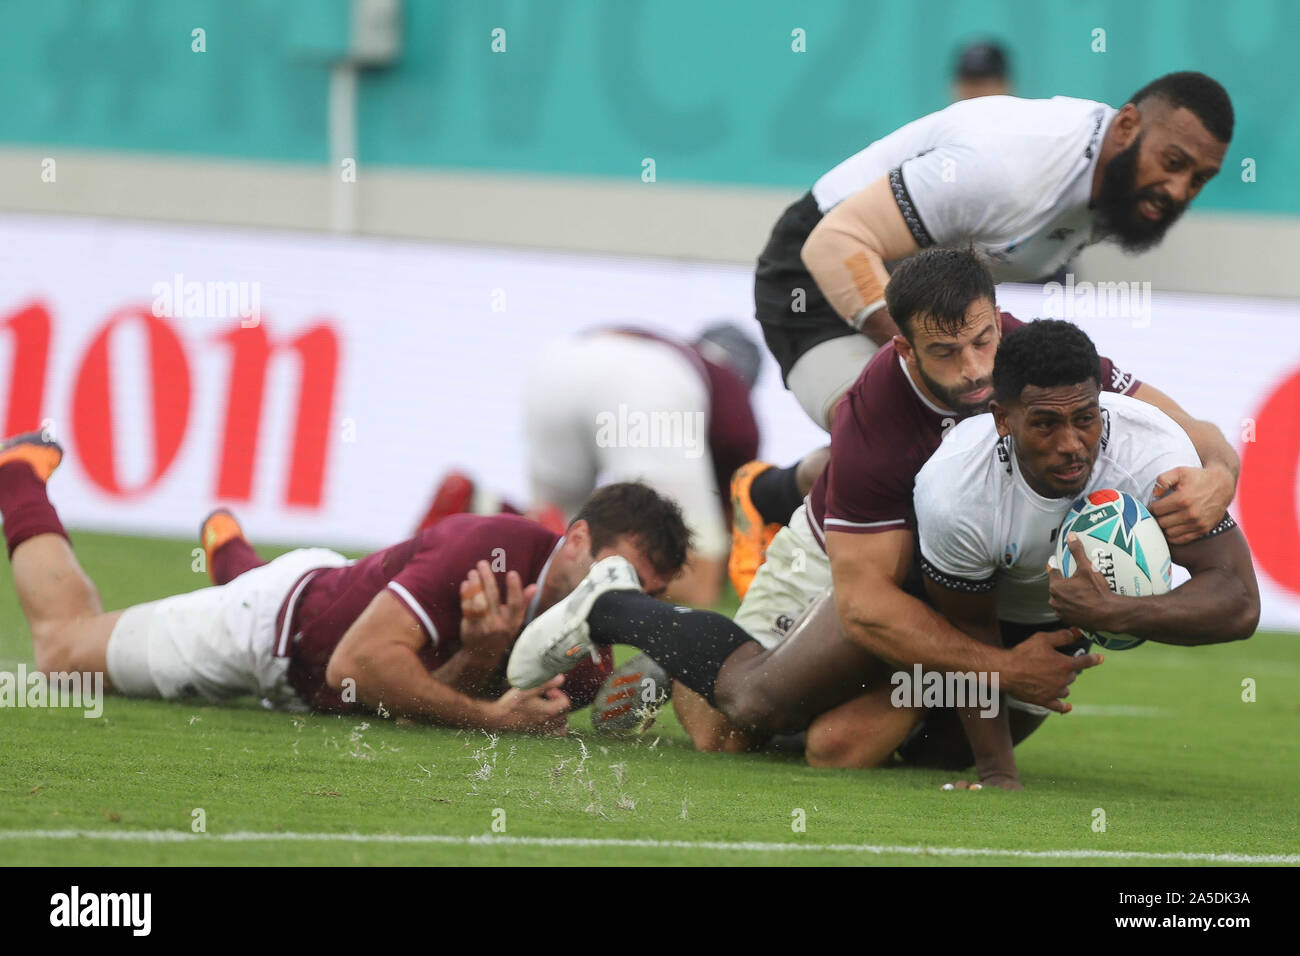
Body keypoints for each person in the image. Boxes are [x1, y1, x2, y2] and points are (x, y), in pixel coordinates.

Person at [512, 249, 1240, 769]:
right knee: (743, 723)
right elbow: (866, 605)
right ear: (904, 345)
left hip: (962, 572)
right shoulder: (873, 417)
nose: (977, 370)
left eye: (983, 339)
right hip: (848, 563)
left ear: (998, 318)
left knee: (863, 749)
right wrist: (998, 668)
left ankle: (808, 632)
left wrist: (1218, 472)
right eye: (947, 352)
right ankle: (655, 635)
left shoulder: (1033, 360)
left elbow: (1173, 424)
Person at [732, 70, 1235, 594]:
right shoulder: (1010, 167)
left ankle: (766, 495)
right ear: (1127, 126)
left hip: (936, 302)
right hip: (816, 279)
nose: (1179, 189)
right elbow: (833, 244)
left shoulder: (1117, 188)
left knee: (994, 422)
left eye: (1199, 179)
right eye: (1173, 163)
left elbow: (1138, 404)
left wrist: (1221, 469)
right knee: (935, 457)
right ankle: (794, 603)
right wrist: (938, 360)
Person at [0, 434, 688, 732]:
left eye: (644, 594)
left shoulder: (590, 663)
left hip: (328, 624)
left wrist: (481, 661)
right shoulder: (490, 549)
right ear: (573, 542)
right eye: (616, 574)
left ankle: (231, 552)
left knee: (299, 588)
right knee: (64, 653)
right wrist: (491, 715)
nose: (625, 601)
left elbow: (411, 709)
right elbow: (356, 665)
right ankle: (20, 474)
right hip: (268, 630)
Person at [891, 317, 1260, 788]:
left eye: (1085, 419)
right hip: (936, 602)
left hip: (1057, 622)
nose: (1070, 445)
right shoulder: (957, 488)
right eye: (1045, 423)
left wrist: (1118, 611)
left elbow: (1240, 601)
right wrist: (998, 773)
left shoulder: (1150, 455)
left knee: (935, 757)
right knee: (840, 740)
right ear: (1003, 419)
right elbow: (970, 625)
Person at [419, 322, 761, 608]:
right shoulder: (731, 391)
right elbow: (736, 506)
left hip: (560, 363)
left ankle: (481, 506)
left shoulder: (671, 346)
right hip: (646, 382)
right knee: (696, 585)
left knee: (552, 537)